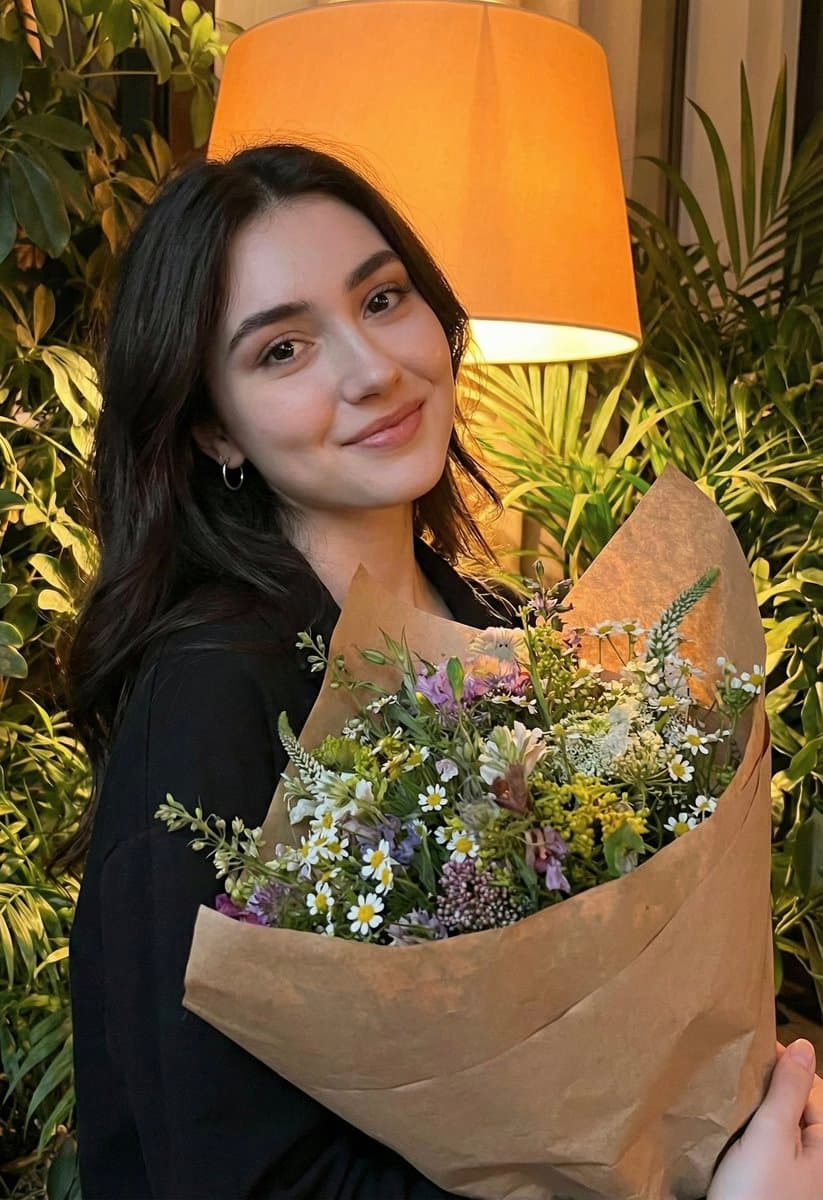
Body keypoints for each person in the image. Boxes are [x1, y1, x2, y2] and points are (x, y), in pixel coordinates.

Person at [60, 142, 823, 1199]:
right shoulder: (214, 695)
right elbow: (231, 1171)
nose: (371, 368)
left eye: (382, 298)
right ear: (210, 429)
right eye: (281, 350)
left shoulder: (508, 631)